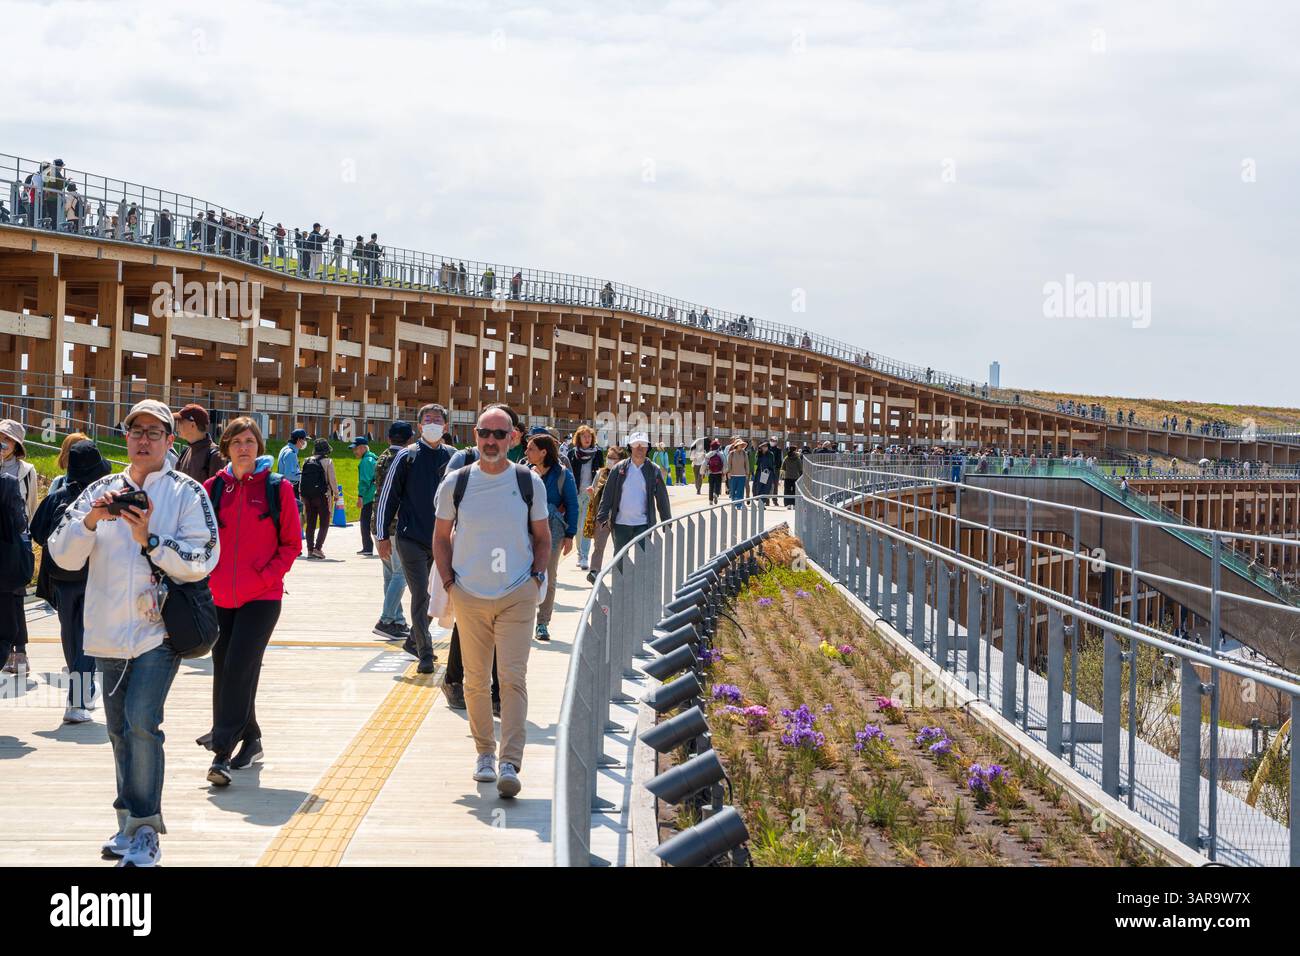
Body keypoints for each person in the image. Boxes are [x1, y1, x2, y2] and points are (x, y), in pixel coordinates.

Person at [46, 399, 220, 867]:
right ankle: (127, 823)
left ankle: (146, 829)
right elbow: (61, 555)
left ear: (169, 440)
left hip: (158, 631)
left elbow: (204, 557)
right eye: (136, 431)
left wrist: (152, 541)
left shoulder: (188, 493)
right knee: (120, 731)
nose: (144, 440)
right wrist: (90, 521)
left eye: (154, 432)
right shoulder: (100, 490)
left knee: (143, 724)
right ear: (126, 438)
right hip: (106, 632)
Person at [433, 406, 550, 798]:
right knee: (476, 681)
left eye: (500, 434)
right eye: (485, 432)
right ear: (475, 435)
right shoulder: (456, 483)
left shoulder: (528, 482)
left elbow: (543, 536)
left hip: (517, 593)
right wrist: (450, 583)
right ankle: (484, 752)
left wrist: (535, 579)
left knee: (512, 678)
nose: (491, 441)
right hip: (470, 595)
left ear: (513, 438)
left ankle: (510, 762)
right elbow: (441, 536)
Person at [199, 417, 301, 786]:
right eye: (238, 442)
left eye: (251, 441)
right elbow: (202, 542)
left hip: (262, 596)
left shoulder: (278, 489)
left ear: (259, 447)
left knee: (240, 667)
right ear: (226, 448)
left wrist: (264, 577)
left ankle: (221, 751)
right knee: (227, 669)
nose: (245, 447)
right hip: (219, 597)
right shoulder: (212, 489)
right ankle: (252, 738)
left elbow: (292, 544)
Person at [30, 440, 111, 723]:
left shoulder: (57, 496)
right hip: (93, 575)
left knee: (71, 634)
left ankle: (82, 691)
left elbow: (37, 532)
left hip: (61, 578)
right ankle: (78, 699)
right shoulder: (101, 502)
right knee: (90, 637)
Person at [376, 403, 453, 674]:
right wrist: (381, 534)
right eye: (427, 419)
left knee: (437, 595)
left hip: (443, 540)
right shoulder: (407, 456)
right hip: (411, 538)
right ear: (420, 426)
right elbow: (388, 496)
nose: (433, 423)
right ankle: (425, 654)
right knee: (421, 594)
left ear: (445, 426)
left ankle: (414, 639)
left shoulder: (454, 457)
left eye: (438, 419)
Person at [525, 433, 577, 641]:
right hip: (525, 531)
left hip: (553, 532)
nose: (527, 452)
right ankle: (524, 620)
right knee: (524, 576)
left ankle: (543, 623)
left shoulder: (563, 474)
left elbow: (572, 505)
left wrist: (570, 534)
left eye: (531, 449)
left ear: (543, 452)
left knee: (548, 577)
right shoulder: (525, 472)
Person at [0, 419, 37, 675]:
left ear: (17, 445)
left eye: (8, 439)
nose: (3, 443)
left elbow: (31, 506)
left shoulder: (26, 471)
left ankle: (19, 651)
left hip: (16, 540)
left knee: (16, 596)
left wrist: (30, 540)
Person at [371, 421, 414, 640]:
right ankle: (386, 618)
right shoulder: (407, 459)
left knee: (390, 573)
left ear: (389, 438)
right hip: (397, 524)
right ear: (410, 439)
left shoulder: (381, 457)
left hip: (377, 521)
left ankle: (397, 620)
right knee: (402, 573)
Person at [595, 432, 671, 553]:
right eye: (636, 444)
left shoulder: (654, 470)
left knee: (643, 562)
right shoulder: (618, 468)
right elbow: (608, 494)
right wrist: (601, 517)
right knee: (620, 562)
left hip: (644, 525)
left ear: (648, 448)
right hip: (620, 524)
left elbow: (662, 498)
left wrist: (667, 521)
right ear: (630, 447)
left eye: (643, 444)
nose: (639, 448)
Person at [566, 425, 604, 571]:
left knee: (585, 526)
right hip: (575, 494)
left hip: (590, 494)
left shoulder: (598, 453)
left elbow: (602, 473)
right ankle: (579, 554)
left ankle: (584, 557)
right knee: (577, 527)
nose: (587, 439)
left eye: (589, 436)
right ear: (579, 438)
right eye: (584, 436)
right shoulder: (572, 453)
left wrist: (597, 491)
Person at [584, 445, 623, 583]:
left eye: (613, 458)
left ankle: (620, 572)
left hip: (620, 516)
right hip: (602, 516)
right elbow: (594, 491)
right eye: (608, 457)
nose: (609, 460)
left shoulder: (624, 475)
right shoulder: (600, 473)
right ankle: (594, 572)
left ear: (620, 460)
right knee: (598, 546)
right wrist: (591, 492)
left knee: (620, 546)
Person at [300, 439, 338, 560]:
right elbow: (332, 480)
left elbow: (302, 480)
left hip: (307, 496)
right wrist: (336, 493)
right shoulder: (328, 461)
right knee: (324, 522)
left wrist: (302, 496)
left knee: (310, 523)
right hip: (323, 496)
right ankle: (318, 548)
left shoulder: (307, 460)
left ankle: (310, 550)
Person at [173, 404, 225, 483]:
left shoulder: (215, 456)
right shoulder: (184, 453)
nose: (177, 426)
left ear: (193, 425)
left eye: (180, 422)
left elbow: (216, 492)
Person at [353, 436, 378, 555]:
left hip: (368, 496)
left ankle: (367, 548)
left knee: (365, 523)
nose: (354, 452)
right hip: (376, 494)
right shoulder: (373, 458)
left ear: (363, 448)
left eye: (356, 449)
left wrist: (360, 496)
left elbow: (364, 481)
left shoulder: (365, 462)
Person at [726, 438, 749, 507]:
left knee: (740, 491)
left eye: (742, 445)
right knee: (733, 490)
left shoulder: (744, 454)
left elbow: (747, 464)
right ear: (736, 445)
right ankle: (734, 502)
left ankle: (739, 504)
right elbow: (729, 464)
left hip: (742, 475)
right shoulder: (731, 454)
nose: (741, 446)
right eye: (739, 445)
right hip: (733, 475)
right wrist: (728, 472)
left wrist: (747, 473)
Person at [705, 438, 726, 504]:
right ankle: (716, 494)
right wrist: (724, 472)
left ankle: (710, 500)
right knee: (718, 485)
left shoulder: (708, 454)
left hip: (711, 472)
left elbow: (704, 464)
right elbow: (725, 463)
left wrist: (703, 472)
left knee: (711, 486)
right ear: (718, 447)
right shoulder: (721, 454)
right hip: (719, 472)